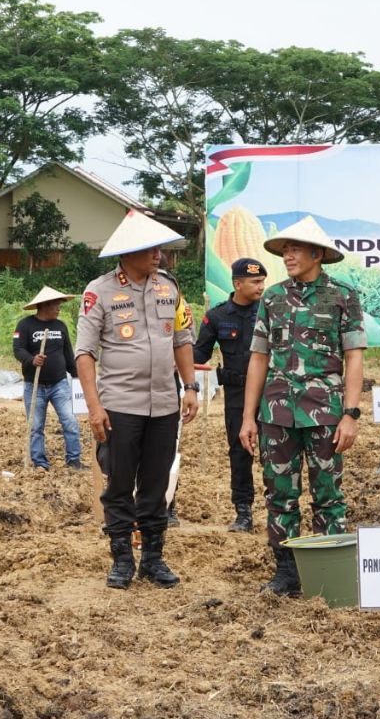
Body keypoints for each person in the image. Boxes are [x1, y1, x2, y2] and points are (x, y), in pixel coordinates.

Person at [240, 216, 366, 596]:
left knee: (329, 493)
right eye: (285, 250)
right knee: (279, 493)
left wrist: (351, 414)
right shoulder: (272, 298)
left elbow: (354, 357)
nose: (288, 256)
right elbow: (259, 358)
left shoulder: (343, 296)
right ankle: (287, 572)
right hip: (276, 412)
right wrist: (248, 417)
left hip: (325, 411)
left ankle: (330, 573)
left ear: (317, 254)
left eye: (295, 249)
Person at [77, 210, 198, 589]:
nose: (158, 255)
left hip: (164, 404)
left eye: (160, 248)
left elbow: (182, 339)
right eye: (150, 249)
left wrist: (190, 387)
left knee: (157, 484)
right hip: (120, 405)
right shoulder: (99, 291)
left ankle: (153, 559)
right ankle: (122, 559)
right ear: (128, 253)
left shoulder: (169, 288)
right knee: (119, 483)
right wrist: (94, 407)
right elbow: (85, 353)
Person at [193, 257, 267, 532]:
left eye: (262, 281)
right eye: (255, 282)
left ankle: (276, 508)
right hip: (236, 394)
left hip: (270, 394)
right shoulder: (217, 316)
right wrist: (176, 352)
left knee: (274, 452)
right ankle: (243, 511)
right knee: (239, 451)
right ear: (237, 283)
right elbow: (199, 354)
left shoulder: (269, 312)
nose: (261, 287)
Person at [14, 286, 81, 471]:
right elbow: (18, 349)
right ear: (44, 305)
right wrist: (32, 359)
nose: (59, 308)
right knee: (35, 426)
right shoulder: (25, 325)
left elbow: (68, 354)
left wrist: (77, 377)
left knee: (70, 421)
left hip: (59, 384)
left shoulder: (60, 326)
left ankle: (74, 460)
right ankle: (40, 463)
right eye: (56, 305)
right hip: (34, 386)